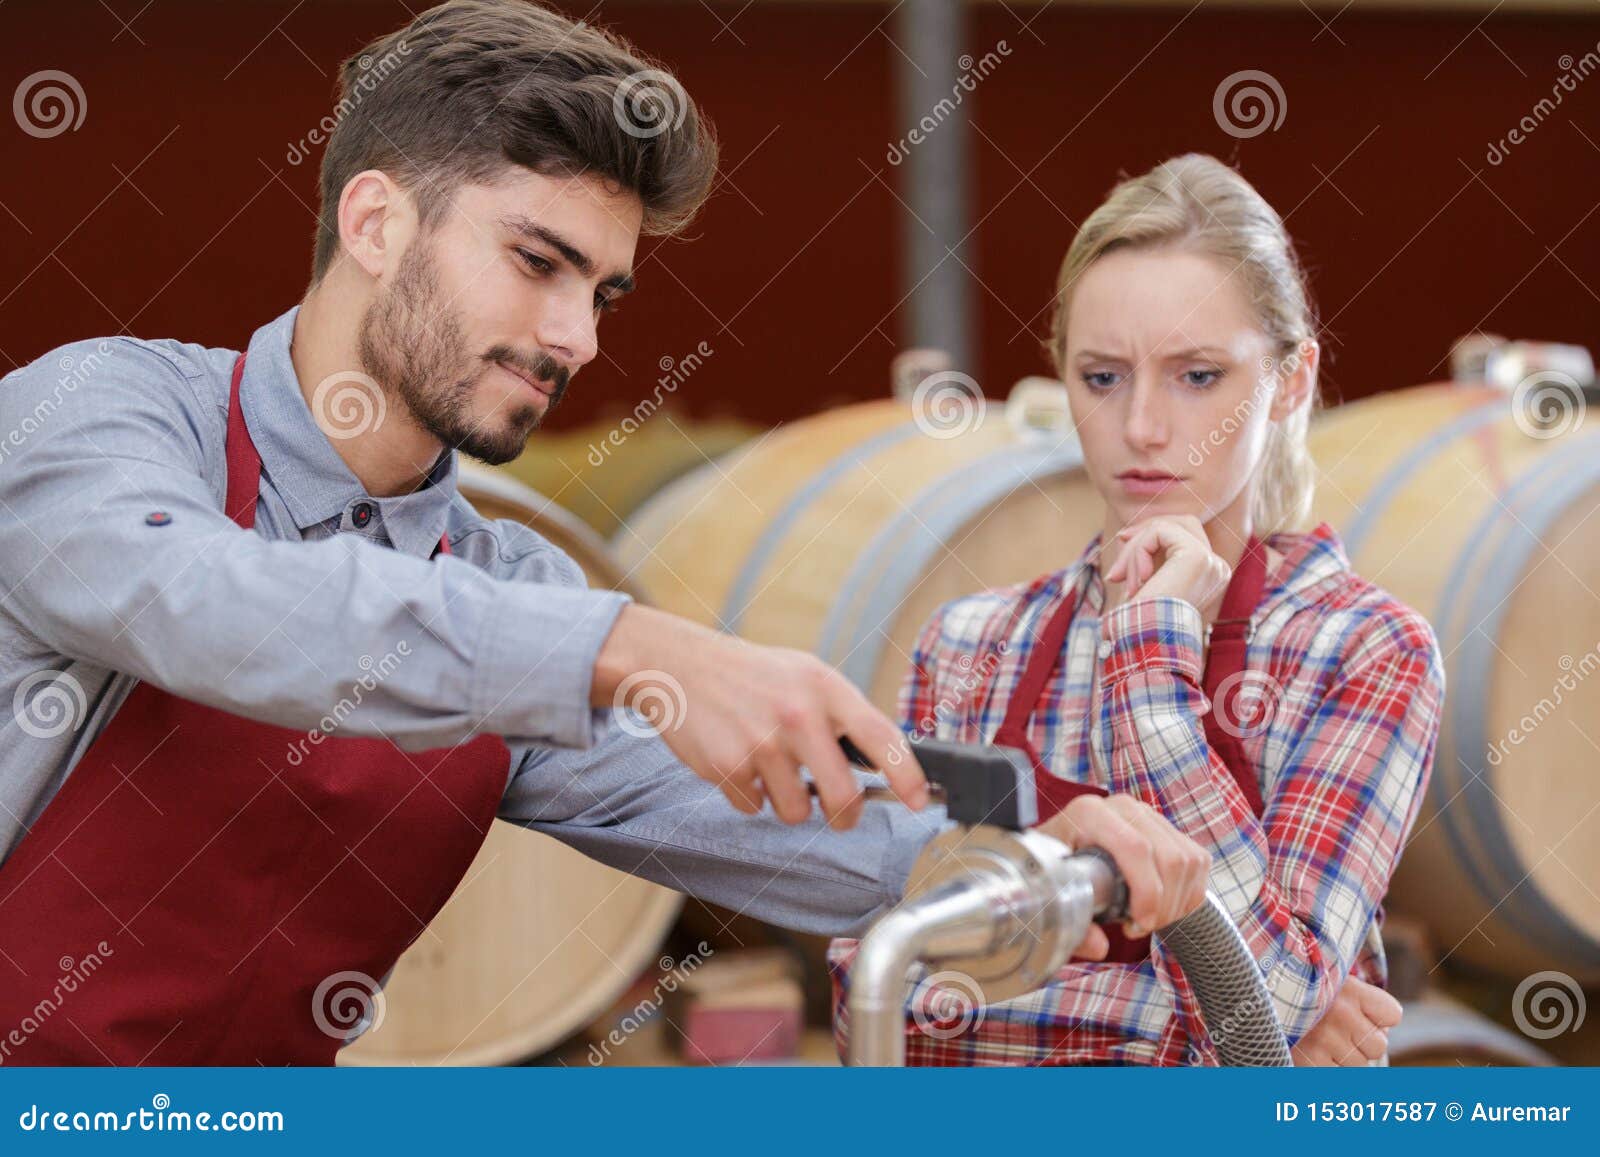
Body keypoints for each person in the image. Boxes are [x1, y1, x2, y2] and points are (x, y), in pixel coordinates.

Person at [0, 0, 953, 1066]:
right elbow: (210, 603)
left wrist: (1023, 849)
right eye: (536, 261)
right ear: (374, 224)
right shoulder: (100, 414)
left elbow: (768, 816)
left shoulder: (511, 584)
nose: (577, 338)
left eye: (603, 292)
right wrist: (625, 645)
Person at [829, 154, 1445, 1067]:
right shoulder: (969, 644)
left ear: (1289, 382)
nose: (1143, 428)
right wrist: (1185, 1031)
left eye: (1198, 376)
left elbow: (1263, 1005)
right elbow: (873, 996)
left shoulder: (1366, 651)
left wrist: (1150, 664)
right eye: (1104, 377)